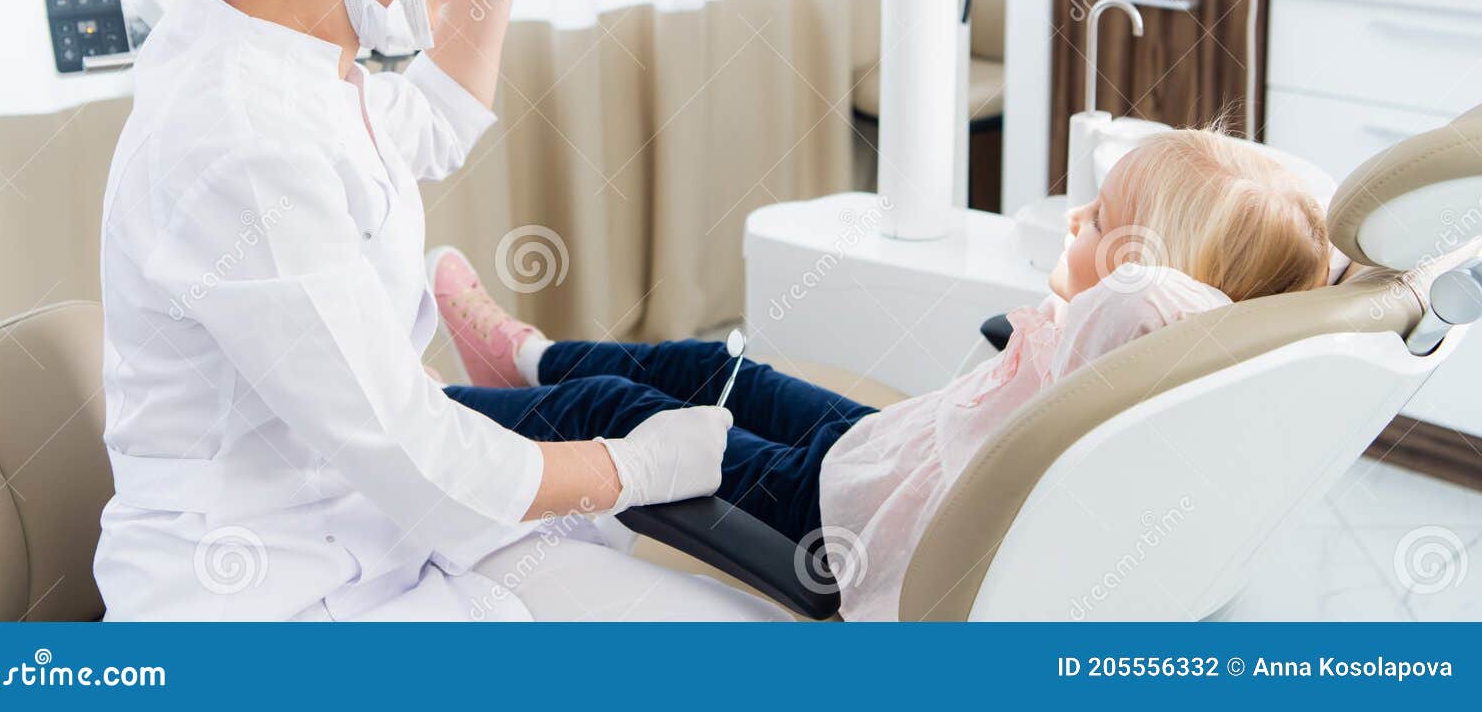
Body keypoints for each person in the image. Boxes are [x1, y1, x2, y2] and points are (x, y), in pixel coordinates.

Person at [93, 0, 765, 621]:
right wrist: (629, 466)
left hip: (379, 526)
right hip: (268, 591)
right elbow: (418, 457)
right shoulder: (241, 134)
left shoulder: (295, 52)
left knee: (742, 626)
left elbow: (435, 124)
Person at [430, 128, 1332, 620]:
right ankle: (524, 357)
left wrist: (1156, 265)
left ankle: (421, 413)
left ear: (1152, 261)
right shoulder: (1114, 344)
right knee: (712, 363)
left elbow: (1148, 298)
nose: (1076, 219)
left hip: (836, 516)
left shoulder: (1131, 333)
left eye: (1104, 222)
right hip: (873, 451)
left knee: (616, 408)